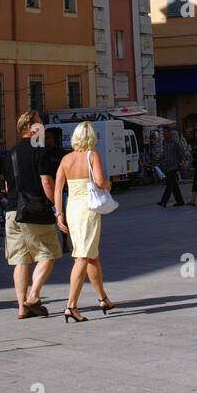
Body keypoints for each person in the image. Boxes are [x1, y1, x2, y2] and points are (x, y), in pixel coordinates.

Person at [1, 111, 61, 319]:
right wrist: (57, 206)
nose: (42, 127)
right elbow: (46, 181)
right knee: (48, 254)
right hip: (34, 210)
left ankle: (21, 306)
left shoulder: (10, 154)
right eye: (39, 123)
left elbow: (8, 185)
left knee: (20, 260)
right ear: (29, 127)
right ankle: (33, 296)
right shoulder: (39, 151)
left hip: (12, 210)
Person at [53, 122, 115, 322]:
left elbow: (57, 187)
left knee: (91, 254)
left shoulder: (66, 159)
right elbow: (99, 181)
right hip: (88, 209)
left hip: (72, 208)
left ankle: (102, 297)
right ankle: (71, 306)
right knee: (82, 256)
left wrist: (59, 213)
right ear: (91, 138)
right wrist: (108, 185)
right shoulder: (92, 155)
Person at [156, 125, 185, 207]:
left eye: (165, 132)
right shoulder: (164, 142)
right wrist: (160, 157)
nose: (164, 134)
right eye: (163, 132)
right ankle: (180, 201)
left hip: (174, 166)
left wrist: (182, 163)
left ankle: (164, 201)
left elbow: (181, 152)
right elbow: (165, 153)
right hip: (167, 166)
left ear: (170, 132)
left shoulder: (175, 142)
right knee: (174, 185)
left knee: (169, 184)